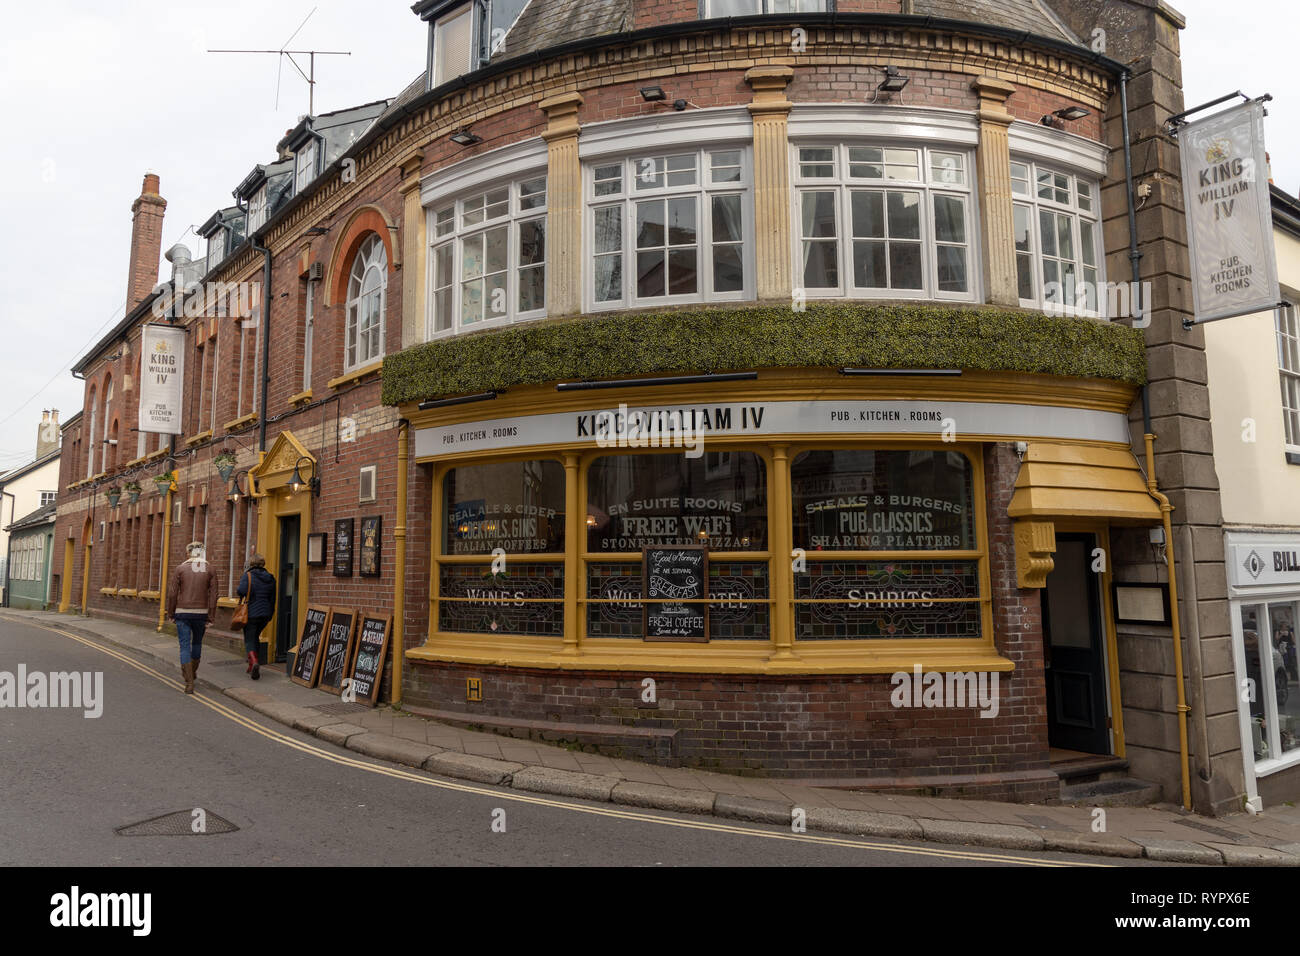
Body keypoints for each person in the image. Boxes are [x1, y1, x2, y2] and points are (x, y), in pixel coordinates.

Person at [166, 541, 218, 694]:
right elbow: (214, 595)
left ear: (188, 553)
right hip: (201, 614)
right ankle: (193, 673)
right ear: (202, 553)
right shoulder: (210, 569)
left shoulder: (180, 568)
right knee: (197, 643)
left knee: (184, 646)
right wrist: (211, 616)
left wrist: (170, 613)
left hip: (182, 613)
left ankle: (189, 682)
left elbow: (172, 593)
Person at [236, 554, 277, 680]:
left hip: (251, 613)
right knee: (255, 637)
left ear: (251, 564)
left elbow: (240, 591)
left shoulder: (248, 575)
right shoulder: (270, 578)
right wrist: (270, 614)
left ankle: (253, 662)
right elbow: (273, 598)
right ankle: (252, 665)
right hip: (265, 614)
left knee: (249, 638)